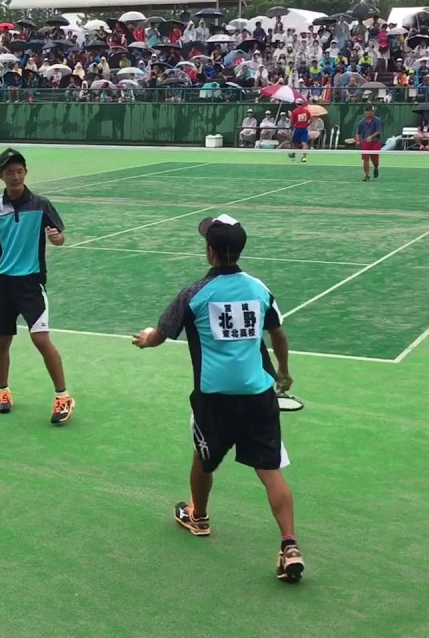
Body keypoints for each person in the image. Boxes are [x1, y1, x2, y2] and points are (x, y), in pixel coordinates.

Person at [131, 214, 304, 583]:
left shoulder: (194, 294)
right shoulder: (259, 288)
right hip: (259, 393)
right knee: (270, 471)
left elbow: (161, 334)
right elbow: (279, 336)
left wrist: (146, 339)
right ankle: (289, 546)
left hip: (213, 398)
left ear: (210, 252)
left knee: (203, 458)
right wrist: (284, 372)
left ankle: (199, 517)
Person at [0, 149, 74, 424]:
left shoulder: (41, 205)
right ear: (0, 176)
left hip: (31, 284)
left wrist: (56, 238)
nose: (15, 176)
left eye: (19, 171)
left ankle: (63, 396)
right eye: (9, 172)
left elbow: (60, 238)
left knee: (40, 339)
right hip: (3, 285)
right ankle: (3, 392)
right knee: (2, 341)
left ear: (25, 172)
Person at [355, 105, 383, 181]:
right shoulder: (361, 122)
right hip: (365, 143)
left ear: (373, 112)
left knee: (375, 161)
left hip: (375, 142)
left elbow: (378, 131)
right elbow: (358, 133)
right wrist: (357, 141)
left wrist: (371, 137)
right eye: (367, 110)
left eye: (370, 111)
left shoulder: (377, 120)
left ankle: (376, 167)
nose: (368, 112)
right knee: (365, 159)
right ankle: (366, 175)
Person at [288, 98, 311, 162]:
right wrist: (307, 125)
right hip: (304, 129)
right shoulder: (306, 111)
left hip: (297, 129)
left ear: (296, 104)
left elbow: (293, 121)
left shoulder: (294, 111)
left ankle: (293, 154)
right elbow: (311, 119)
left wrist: (292, 126)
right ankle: (304, 158)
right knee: (304, 143)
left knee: (294, 142)